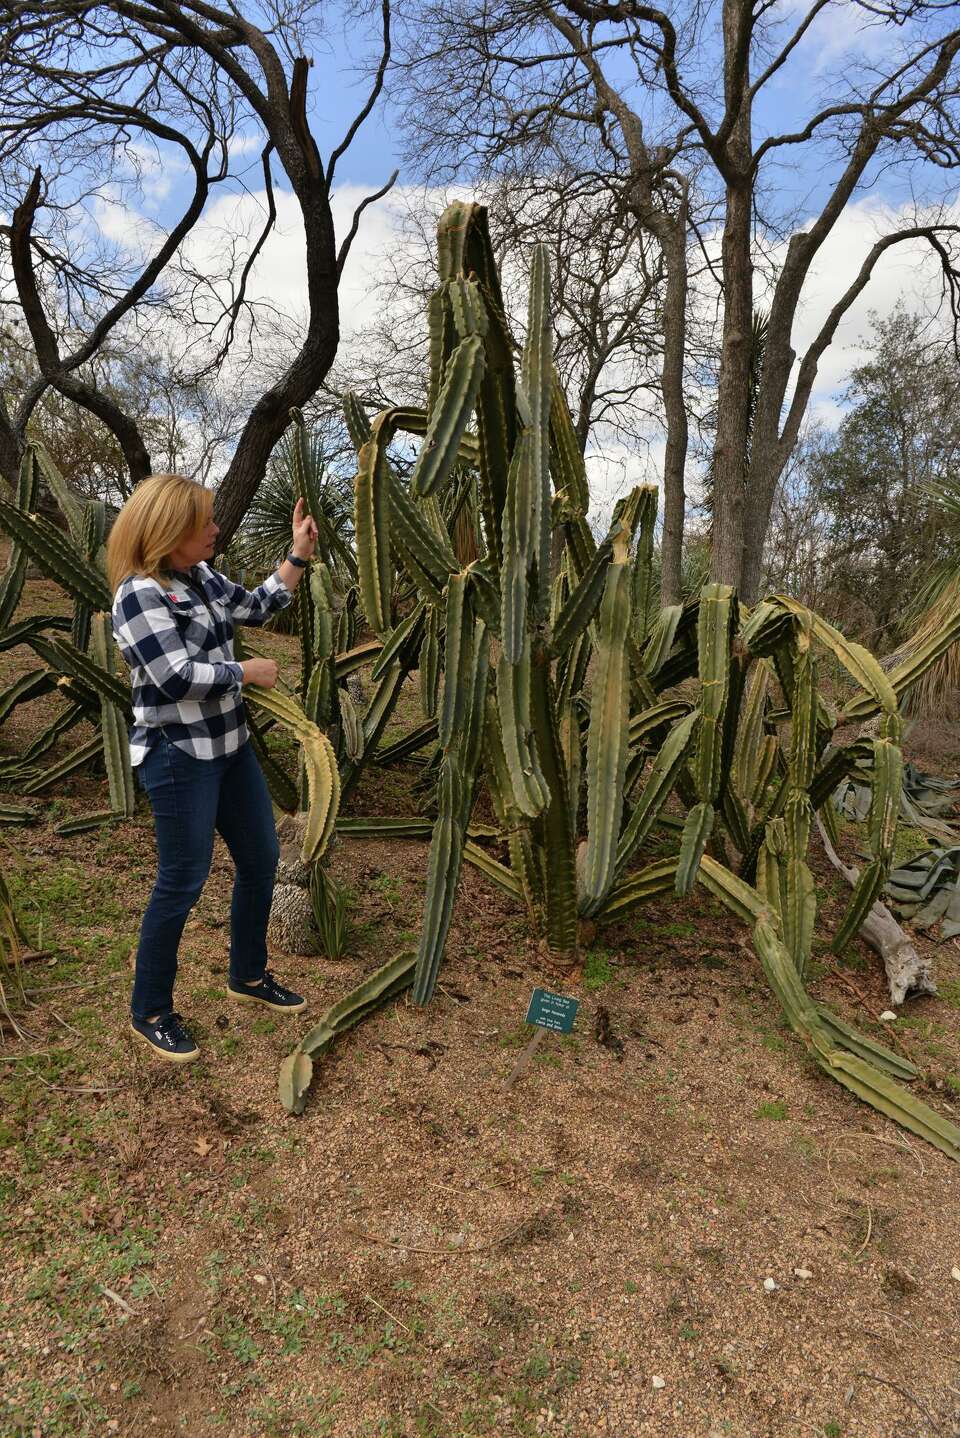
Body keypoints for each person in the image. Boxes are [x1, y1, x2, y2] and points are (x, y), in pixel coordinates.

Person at [108, 473, 318, 1063]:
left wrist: (297, 555)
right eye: (203, 522)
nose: (215, 529)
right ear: (168, 530)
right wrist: (245, 672)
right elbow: (173, 677)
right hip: (178, 756)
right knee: (182, 879)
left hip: (230, 747)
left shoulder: (200, 576)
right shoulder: (138, 593)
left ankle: (247, 975)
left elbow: (257, 604)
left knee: (261, 859)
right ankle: (150, 1010)